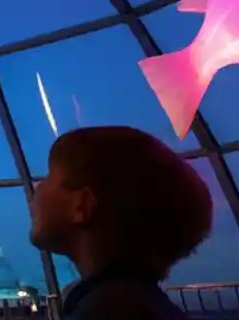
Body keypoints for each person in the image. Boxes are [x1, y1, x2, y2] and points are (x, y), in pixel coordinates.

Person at [29, 126, 213, 320]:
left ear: (82, 205)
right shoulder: (143, 304)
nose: (36, 187)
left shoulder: (104, 312)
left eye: (49, 176)